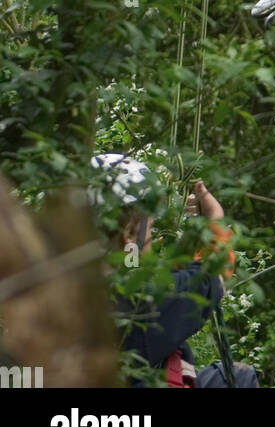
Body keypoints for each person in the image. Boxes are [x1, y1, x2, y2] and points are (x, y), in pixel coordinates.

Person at [90, 153, 258, 388]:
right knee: (240, 381)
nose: (151, 237)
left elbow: (170, 284)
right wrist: (214, 223)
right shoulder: (139, 305)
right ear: (128, 233)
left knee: (231, 377)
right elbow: (210, 277)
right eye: (149, 228)